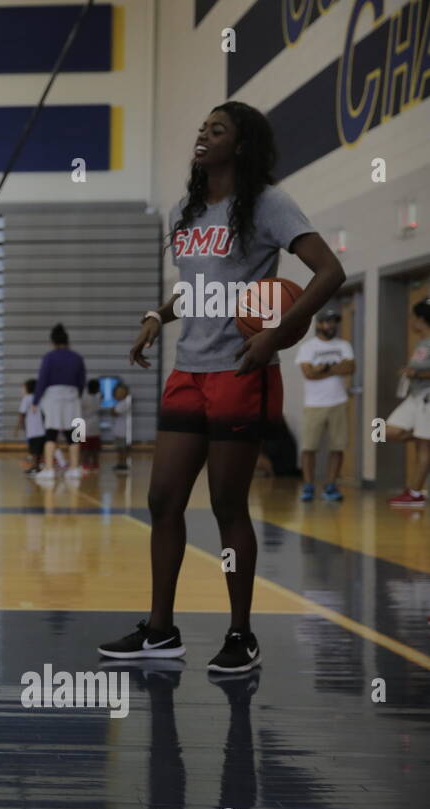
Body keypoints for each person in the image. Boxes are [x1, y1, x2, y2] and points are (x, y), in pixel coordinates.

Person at [101, 100, 344, 673]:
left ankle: (241, 635)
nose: (204, 135)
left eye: (218, 129)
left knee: (228, 504)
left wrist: (278, 335)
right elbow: (195, 288)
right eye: (202, 126)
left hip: (239, 370)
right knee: (162, 499)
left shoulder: (266, 204)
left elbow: (329, 270)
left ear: (241, 145)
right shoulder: (184, 211)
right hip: (187, 371)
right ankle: (161, 632)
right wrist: (158, 317)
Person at [295, 309, 353, 501]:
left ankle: (330, 486)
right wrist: (334, 368)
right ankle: (308, 486)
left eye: (334, 322)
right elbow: (308, 374)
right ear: (319, 324)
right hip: (314, 404)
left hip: (338, 402)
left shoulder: (344, 345)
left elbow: (350, 367)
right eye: (328, 322)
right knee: (309, 448)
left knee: (338, 447)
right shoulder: (308, 347)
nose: (332, 325)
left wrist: (323, 368)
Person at [384, 298, 430, 507]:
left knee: (423, 447)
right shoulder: (422, 342)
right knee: (385, 431)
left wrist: (418, 374)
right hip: (415, 396)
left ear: (421, 319)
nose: (411, 321)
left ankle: (415, 493)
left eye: (413, 317)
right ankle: (425, 436)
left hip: (428, 396)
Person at [32, 323, 86, 481]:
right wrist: (77, 396)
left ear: (52, 342)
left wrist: (36, 401)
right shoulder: (77, 357)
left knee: (51, 433)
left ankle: (49, 469)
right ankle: (75, 468)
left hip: (53, 397)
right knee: (75, 435)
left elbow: (42, 380)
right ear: (67, 341)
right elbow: (82, 381)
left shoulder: (49, 357)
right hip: (73, 396)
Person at [17, 378, 46, 475]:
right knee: (39, 450)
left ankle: (35, 467)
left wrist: (17, 426)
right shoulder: (40, 398)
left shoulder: (26, 398)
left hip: (32, 430)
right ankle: (38, 466)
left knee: (33, 451)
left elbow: (22, 413)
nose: (22, 389)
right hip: (41, 429)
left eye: (23, 387)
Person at [111, 382, 133, 472]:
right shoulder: (121, 403)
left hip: (123, 431)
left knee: (123, 449)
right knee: (119, 448)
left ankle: (123, 463)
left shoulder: (124, 403)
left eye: (120, 392)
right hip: (120, 430)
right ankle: (120, 463)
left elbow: (114, 413)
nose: (118, 394)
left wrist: (112, 410)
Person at [82, 379, 103, 470]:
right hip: (94, 425)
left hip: (82, 424)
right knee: (94, 448)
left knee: (84, 448)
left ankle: (85, 464)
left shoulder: (83, 397)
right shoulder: (98, 397)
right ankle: (95, 464)